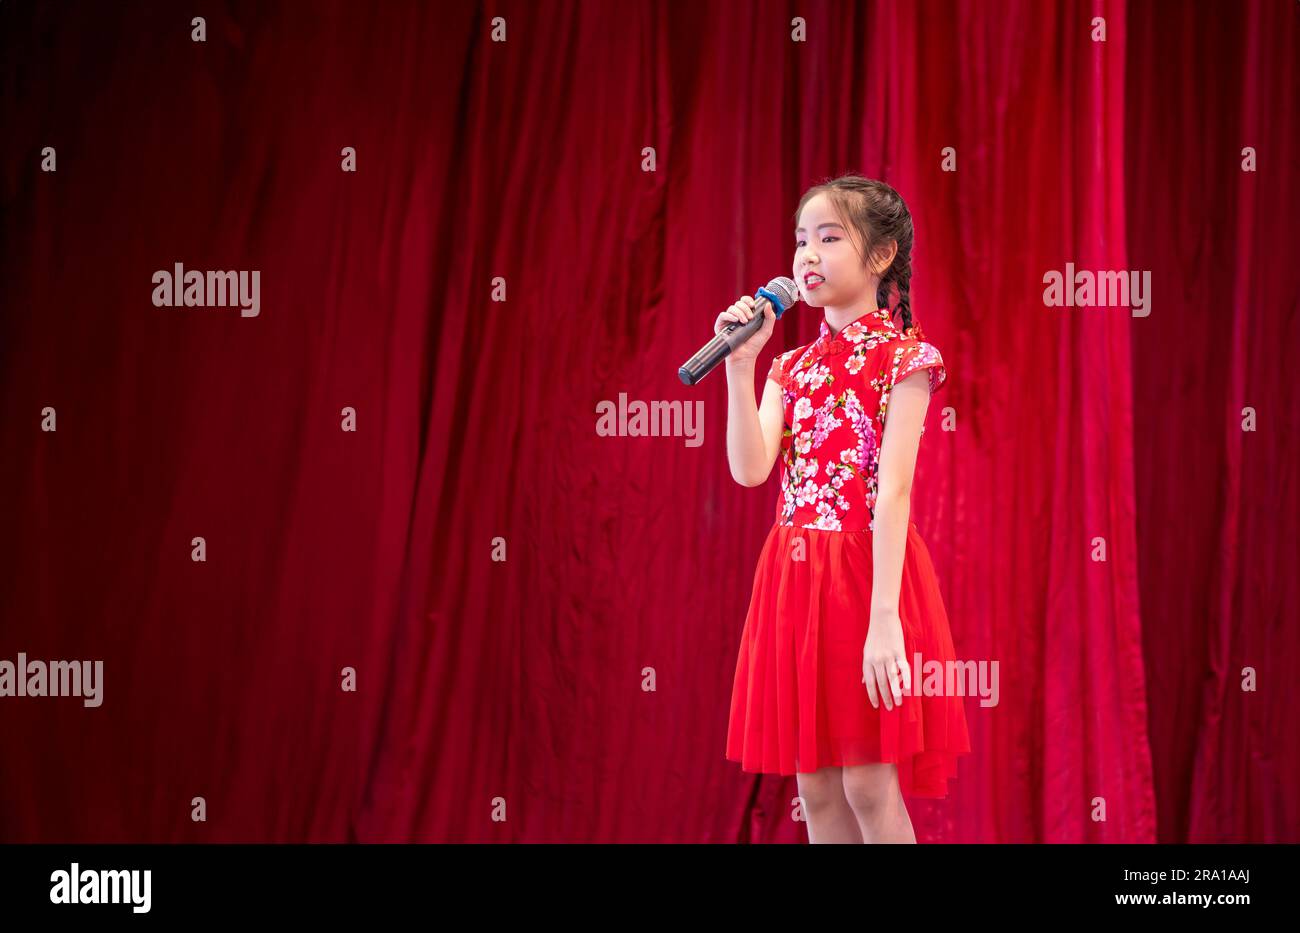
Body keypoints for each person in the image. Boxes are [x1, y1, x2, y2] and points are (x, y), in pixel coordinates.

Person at [721, 174, 971, 843]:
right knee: (817, 786)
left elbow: (893, 491)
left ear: (881, 256)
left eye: (829, 238)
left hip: (868, 578)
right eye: (801, 239)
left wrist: (884, 621)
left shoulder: (906, 359)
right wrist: (740, 369)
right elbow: (750, 470)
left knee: (867, 779)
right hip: (796, 578)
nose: (807, 254)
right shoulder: (791, 367)